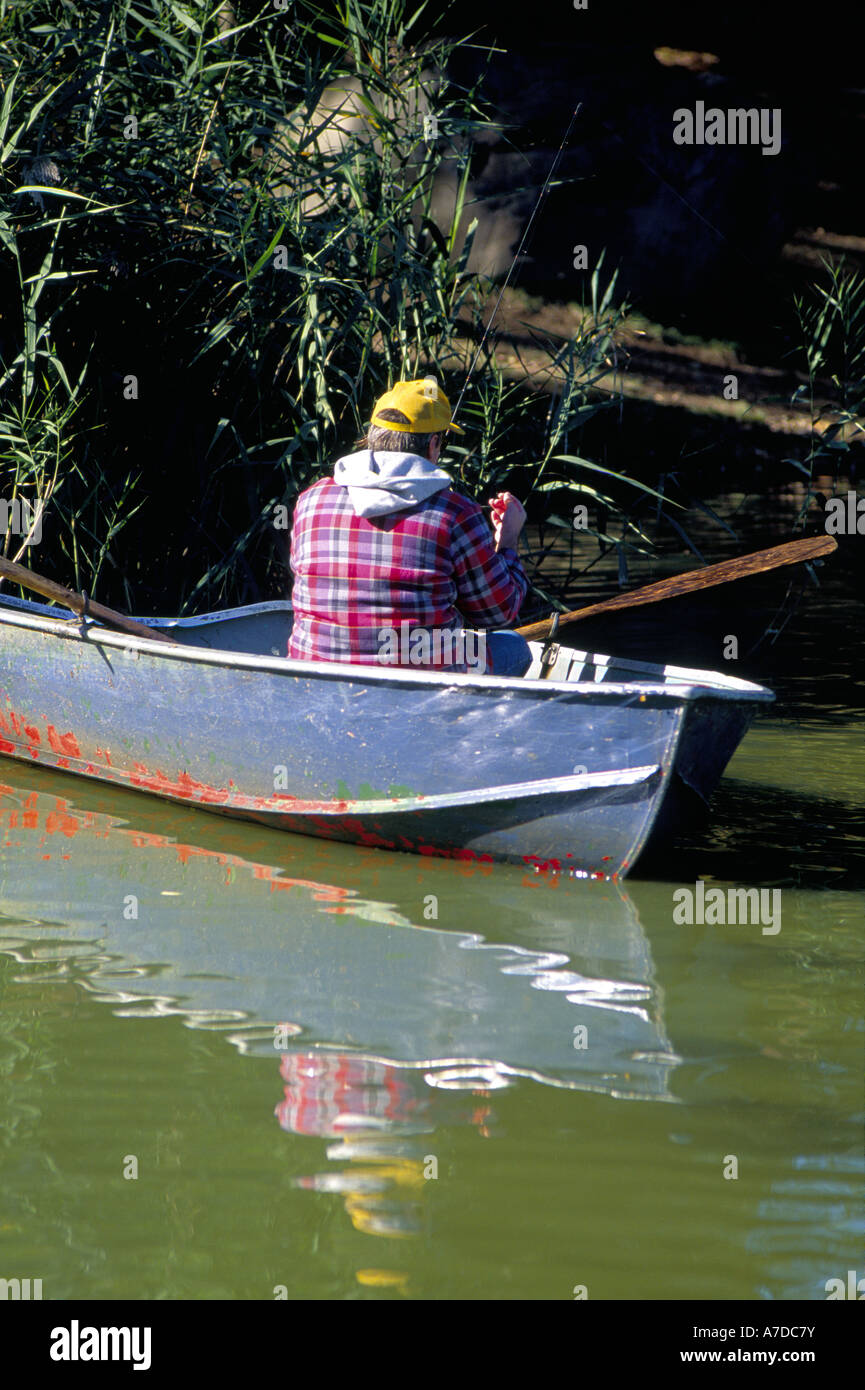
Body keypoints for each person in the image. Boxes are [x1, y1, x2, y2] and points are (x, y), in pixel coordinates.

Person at [287, 378, 532, 676]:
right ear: (433, 444)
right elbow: (498, 611)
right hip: (419, 690)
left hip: (313, 681)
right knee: (514, 647)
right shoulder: (455, 513)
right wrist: (506, 541)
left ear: (372, 436)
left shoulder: (312, 500)